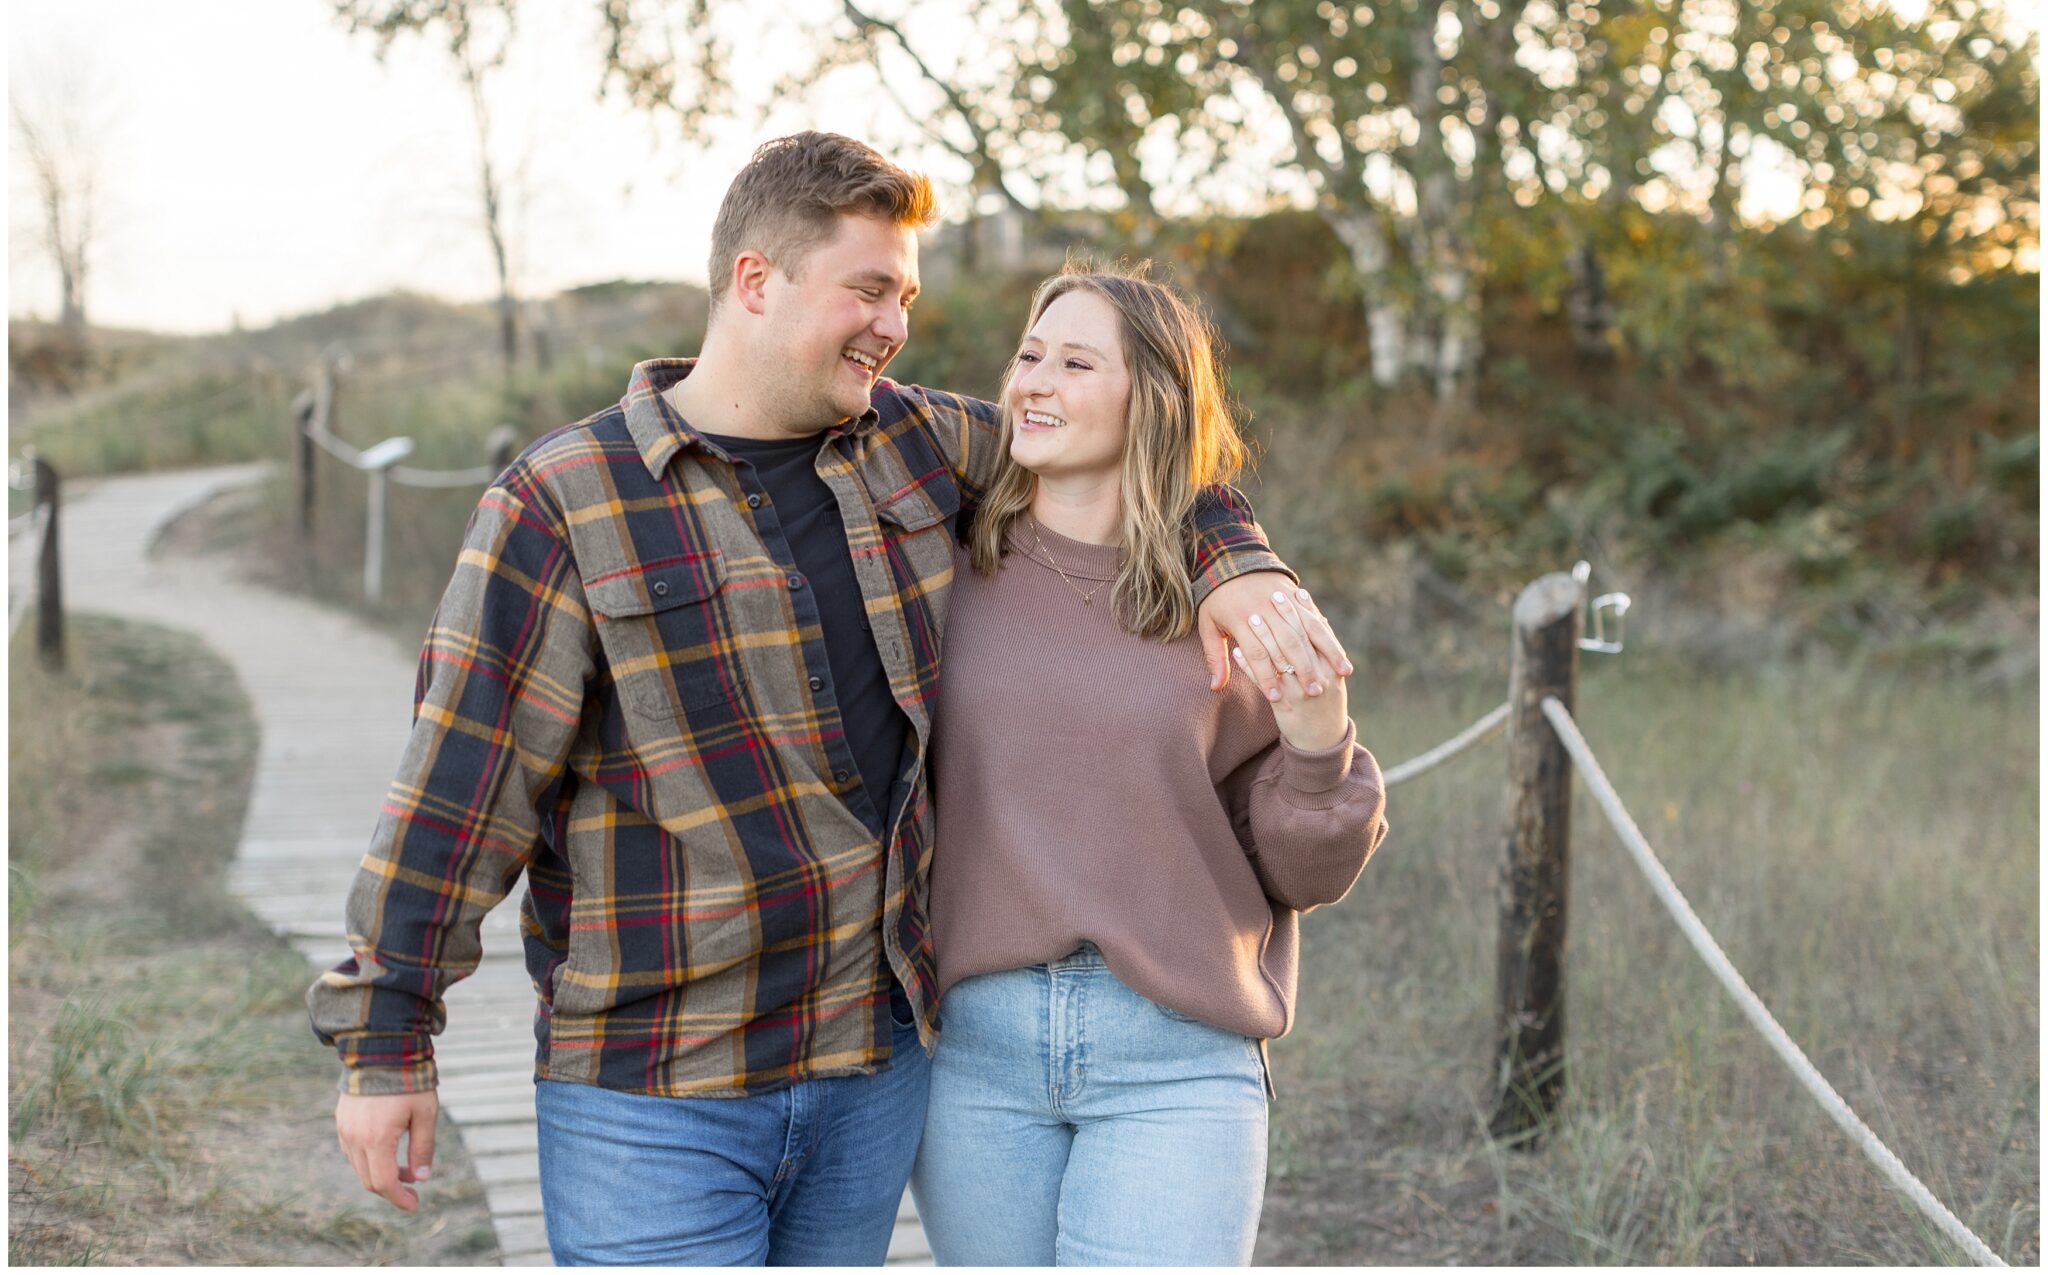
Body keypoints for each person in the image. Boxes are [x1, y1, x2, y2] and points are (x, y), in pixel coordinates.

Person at [306, 131, 1352, 1266]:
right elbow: (460, 797)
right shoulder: (565, 502)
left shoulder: (913, 444)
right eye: (867, 288)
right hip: (659, 1086)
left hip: (872, 1069)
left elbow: (1135, 453)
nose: (894, 324)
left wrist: (1239, 561)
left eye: (902, 294)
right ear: (756, 281)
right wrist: (387, 1046)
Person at [908, 265, 1389, 1266]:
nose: (1034, 382)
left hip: (1175, 1052)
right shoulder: (939, 573)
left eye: (1076, 363)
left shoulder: (1232, 610)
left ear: (1154, 400)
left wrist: (1315, 737)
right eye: (1029, 356)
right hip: (975, 1059)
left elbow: (1305, 874)